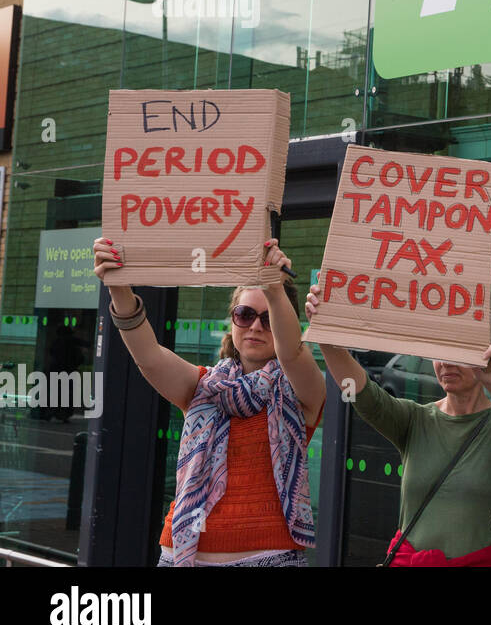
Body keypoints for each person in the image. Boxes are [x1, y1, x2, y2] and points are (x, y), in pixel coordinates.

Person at [92, 236, 325, 567]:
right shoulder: (204, 387)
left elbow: (292, 352)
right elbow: (148, 356)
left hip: (268, 559)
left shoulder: (302, 390)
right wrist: (118, 287)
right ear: (232, 323)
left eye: (268, 318)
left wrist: (275, 288)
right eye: (245, 314)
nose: (256, 326)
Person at [305, 284, 491, 566]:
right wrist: (325, 334)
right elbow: (363, 394)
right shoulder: (416, 420)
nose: (446, 362)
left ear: (489, 355)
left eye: (459, 350)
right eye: (439, 349)